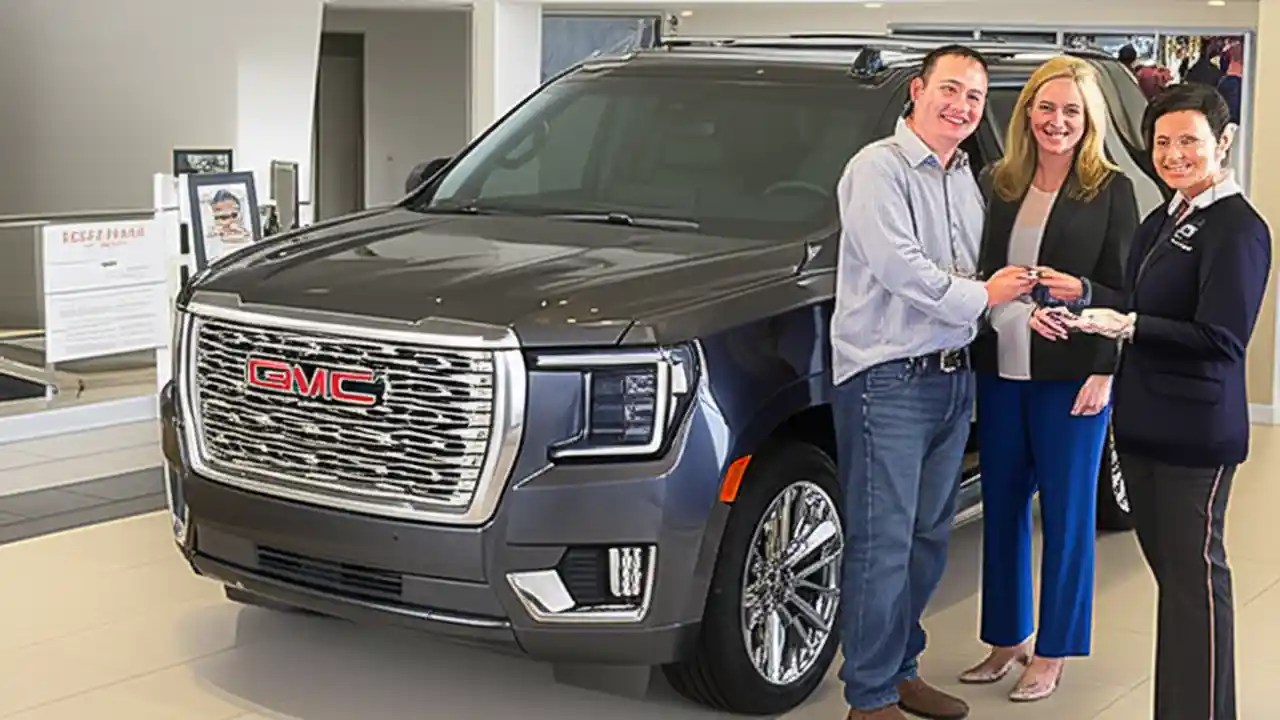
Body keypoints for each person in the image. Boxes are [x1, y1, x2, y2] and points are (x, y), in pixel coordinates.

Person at [831, 44, 1037, 720]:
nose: (962, 107)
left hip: (952, 381)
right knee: (882, 543)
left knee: (924, 542)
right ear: (917, 91)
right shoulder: (876, 170)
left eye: (974, 98)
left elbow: (982, 271)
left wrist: (1028, 306)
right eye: (950, 90)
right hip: (888, 383)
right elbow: (905, 272)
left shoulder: (963, 180)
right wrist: (985, 297)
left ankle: (900, 669)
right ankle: (868, 697)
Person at [1066, 82, 1270, 720]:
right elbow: (1135, 300)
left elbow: (1222, 339)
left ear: (1223, 142)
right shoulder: (1165, 217)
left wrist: (1127, 327)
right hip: (1146, 425)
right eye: (1162, 142)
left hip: (1196, 436)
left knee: (1196, 589)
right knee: (1177, 588)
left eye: (1190, 141)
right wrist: (1081, 309)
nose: (1175, 154)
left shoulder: (1237, 228)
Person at [960, 55, 1138, 702]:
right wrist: (1013, 312)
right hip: (1003, 370)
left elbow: (1122, 289)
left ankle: (1054, 650)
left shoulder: (1110, 188)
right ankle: (1006, 640)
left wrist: (1104, 369)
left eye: (1071, 110)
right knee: (1000, 511)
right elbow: (980, 274)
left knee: (1066, 517)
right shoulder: (997, 181)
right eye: (1046, 107)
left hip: (1072, 379)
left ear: (1088, 119)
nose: (1056, 121)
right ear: (1027, 111)